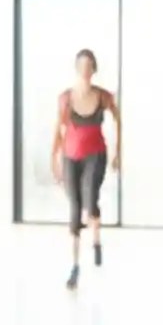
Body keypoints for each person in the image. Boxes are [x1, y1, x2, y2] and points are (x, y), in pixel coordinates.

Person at [51, 49, 120, 289]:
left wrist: (118, 152)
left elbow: (118, 118)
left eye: (89, 65)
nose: (85, 70)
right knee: (74, 207)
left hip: (95, 154)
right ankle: (74, 265)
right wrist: (54, 157)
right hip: (71, 155)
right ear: (76, 68)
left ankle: (97, 241)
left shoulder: (102, 96)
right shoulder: (66, 98)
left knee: (91, 197)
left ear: (94, 69)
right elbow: (58, 129)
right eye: (82, 65)